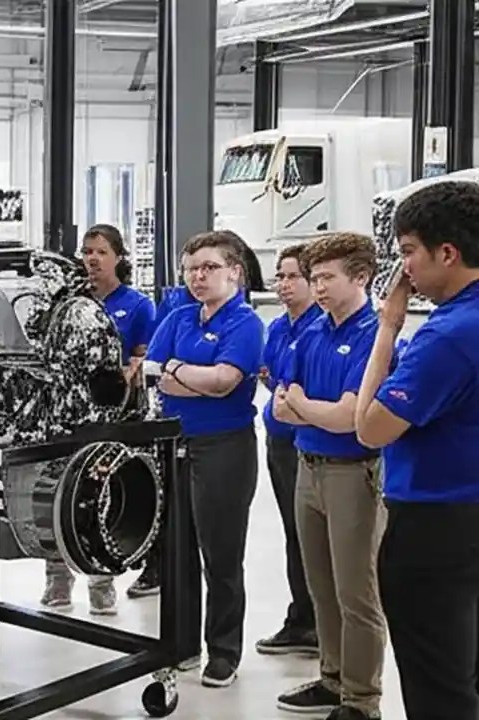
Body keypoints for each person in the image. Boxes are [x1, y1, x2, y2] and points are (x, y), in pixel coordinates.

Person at [354, 180, 479, 719]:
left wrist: (387, 329)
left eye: (407, 252)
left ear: (446, 253)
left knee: (437, 682)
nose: (404, 269)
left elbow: (370, 428)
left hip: (435, 525)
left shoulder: (448, 335)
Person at [272, 233, 385, 719]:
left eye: (326, 278)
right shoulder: (313, 331)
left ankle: (362, 700)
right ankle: (331, 678)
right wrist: (310, 408)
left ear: (360, 277)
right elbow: (281, 403)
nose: (316, 287)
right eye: (312, 277)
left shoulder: (374, 335)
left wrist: (304, 406)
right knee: (320, 584)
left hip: (351, 473)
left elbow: (350, 418)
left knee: (355, 591)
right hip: (308, 467)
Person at [146, 230, 265, 689]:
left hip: (224, 448)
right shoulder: (178, 316)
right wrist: (181, 374)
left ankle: (223, 650)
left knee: (221, 555)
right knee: (178, 551)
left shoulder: (245, 324)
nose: (199, 276)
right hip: (175, 444)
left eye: (209, 267)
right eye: (192, 268)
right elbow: (152, 374)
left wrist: (177, 371)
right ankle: (181, 646)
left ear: (234, 271)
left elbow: (224, 382)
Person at [39, 223, 154, 616]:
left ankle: (100, 581)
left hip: (111, 419)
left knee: (99, 496)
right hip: (65, 415)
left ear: (118, 257)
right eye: (86, 251)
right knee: (55, 494)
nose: (91, 258)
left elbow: (142, 358)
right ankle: (57, 577)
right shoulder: (67, 302)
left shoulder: (136, 305)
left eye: (101, 251)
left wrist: (125, 374)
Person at [255, 242, 323, 657]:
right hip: (279, 440)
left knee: (312, 537)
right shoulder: (280, 327)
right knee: (293, 534)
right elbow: (270, 375)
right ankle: (302, 618)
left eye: (292, 276)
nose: (283, 284)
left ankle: (319, 621)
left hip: (308, 443)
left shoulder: (321, 326)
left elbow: (300, 388)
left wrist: (289, 396)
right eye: (279, 276)